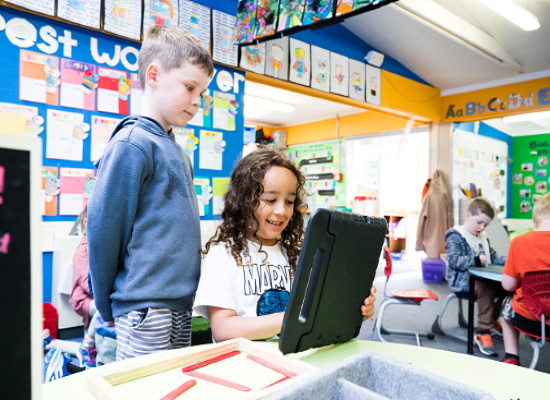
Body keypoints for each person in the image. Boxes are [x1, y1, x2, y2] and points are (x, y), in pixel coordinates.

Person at [87, 25, 213, 361]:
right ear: (154, 75)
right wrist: (104, 303)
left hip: (180, 305)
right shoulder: (132, 144)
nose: (197, 101)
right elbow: (102, 233)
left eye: (202, 93)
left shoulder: (179, 153)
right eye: (190, 87)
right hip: (144, 308)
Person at [193, 148, 377, 342]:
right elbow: (223, 330)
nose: (282, 210)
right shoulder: (223, 254)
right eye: (270, 200)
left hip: (292, 361)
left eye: (289, 201)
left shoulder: (298, 254)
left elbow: (316, 315)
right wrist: (290, 318)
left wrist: (352, 310)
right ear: (243, 201)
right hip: (242, 363)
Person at [445, 198, 507, 356]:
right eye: (479, 222)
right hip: (462, 281)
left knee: (509, 286)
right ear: (468, 215)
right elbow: (453, 261)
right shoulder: (455, 235)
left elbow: (493, 257)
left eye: (486, 224)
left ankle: (491, 319)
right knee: (485, 288)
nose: (482, 227)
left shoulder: (482, 236)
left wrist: (512, 261)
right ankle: (483, 331)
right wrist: (475, 261)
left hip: (483, 280)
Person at [500, 193, 550, 366]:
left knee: (506, 305)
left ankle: (512, 356)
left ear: (534, 223)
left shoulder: (519, 242)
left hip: (527, 318)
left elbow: (508, 285)